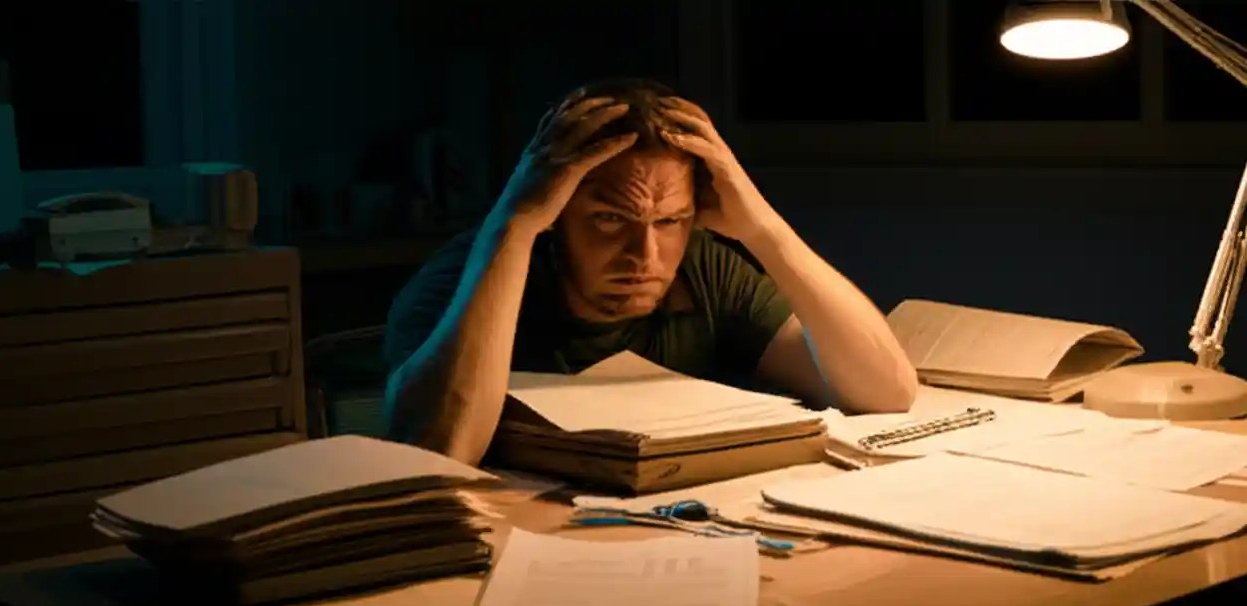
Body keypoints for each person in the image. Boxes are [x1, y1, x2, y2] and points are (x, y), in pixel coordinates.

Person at [382, 77, 917, 465]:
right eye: (610, 220)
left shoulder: (702, 268)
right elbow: (436, 453)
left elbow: (885, 391)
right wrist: (513, 227)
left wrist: (764, 227)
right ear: (555, 211)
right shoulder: (468, 277)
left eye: (669, 220)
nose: (646, 254)